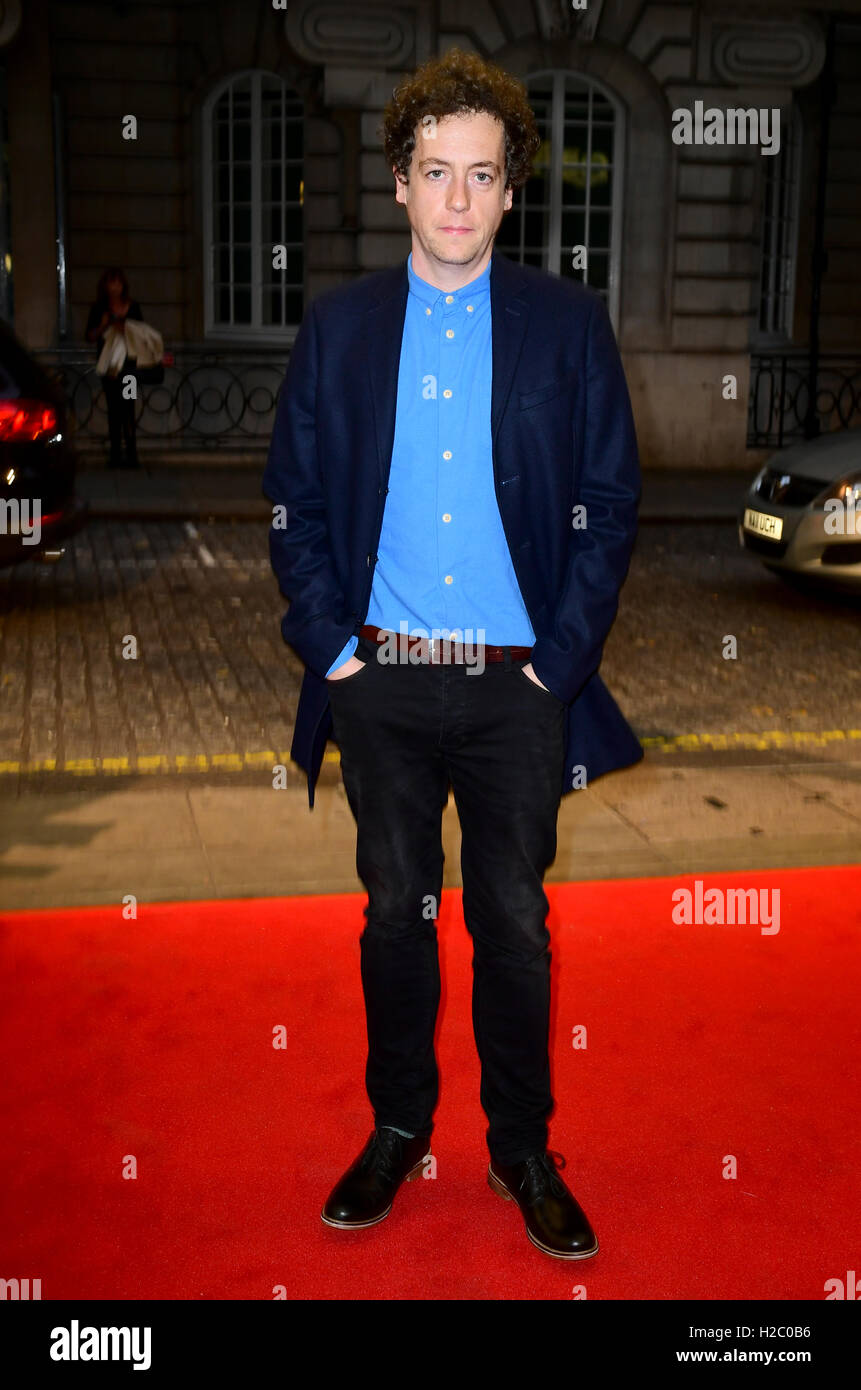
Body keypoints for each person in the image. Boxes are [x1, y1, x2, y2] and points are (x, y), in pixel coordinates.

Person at [263, 48, 642, 1261]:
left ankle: (522, 1149)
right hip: (380, 681)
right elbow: (294, 501)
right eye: (438, 173)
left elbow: (609, 500)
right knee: (392, 914)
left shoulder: (567, 327)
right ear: (399, 181)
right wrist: (329, 649)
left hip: (518, 687)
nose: (460, 200)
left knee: (515, 920)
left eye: (483, 176)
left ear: (511, 190)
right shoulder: (340, 330)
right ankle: (396, 1128)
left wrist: (558, 666)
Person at [86, 268, 143, 468]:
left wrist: (125, 328)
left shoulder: (133, 307)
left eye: (118, 283)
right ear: (105, 286)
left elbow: (141, 335)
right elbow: (90, 336)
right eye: (111, 283)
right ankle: (116, 455)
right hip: (110, 367)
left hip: (129, 368)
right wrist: (103, 325)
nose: (114, 288)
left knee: (128, 409)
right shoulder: (99, 308)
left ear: (123, 285)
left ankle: (132, 454)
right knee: (114, 411)